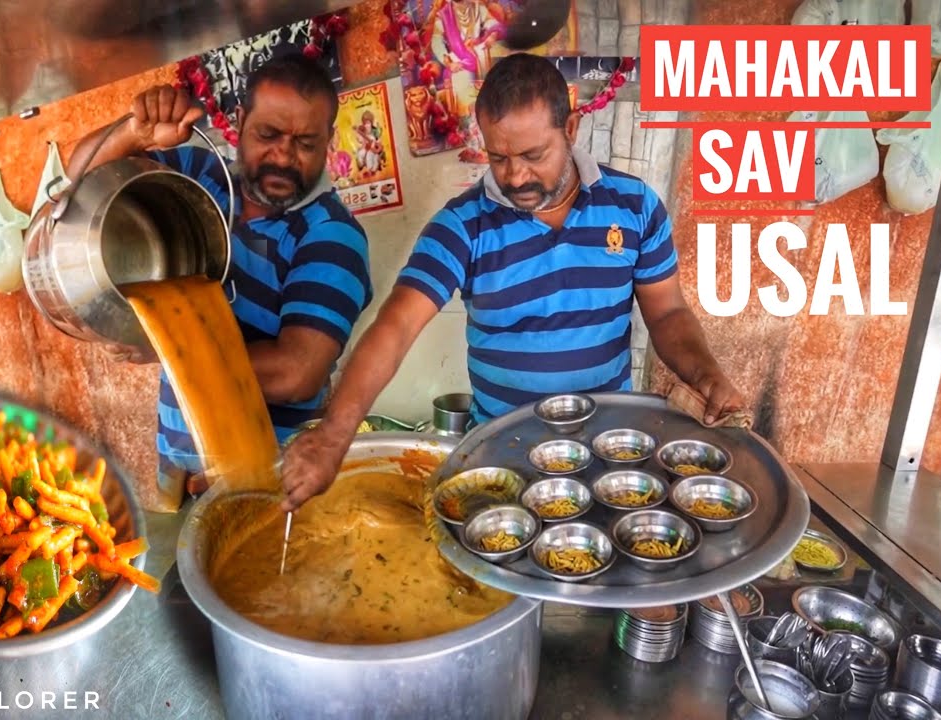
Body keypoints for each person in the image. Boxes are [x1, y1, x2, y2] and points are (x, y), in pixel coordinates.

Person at [280, 53, 744, 511]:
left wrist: (705, 374)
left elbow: (667, 312)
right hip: (504, 456)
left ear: (571, 130)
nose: (516, 176)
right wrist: (334, 435)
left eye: (532, 155)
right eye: (498, 157)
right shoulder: (462, 225)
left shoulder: (635, 205)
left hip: (609, 455)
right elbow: (397, 326)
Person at [61, 53, 373, 508]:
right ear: (240, 121)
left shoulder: (331, 233)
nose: (283, 156)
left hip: (271, 481)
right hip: (178, 465)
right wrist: (134, 133)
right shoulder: (200, 175)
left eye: (306, 142)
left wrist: (172, 347)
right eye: (268, 135)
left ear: (329, 138)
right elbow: (77, 180)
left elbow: (297, 372)